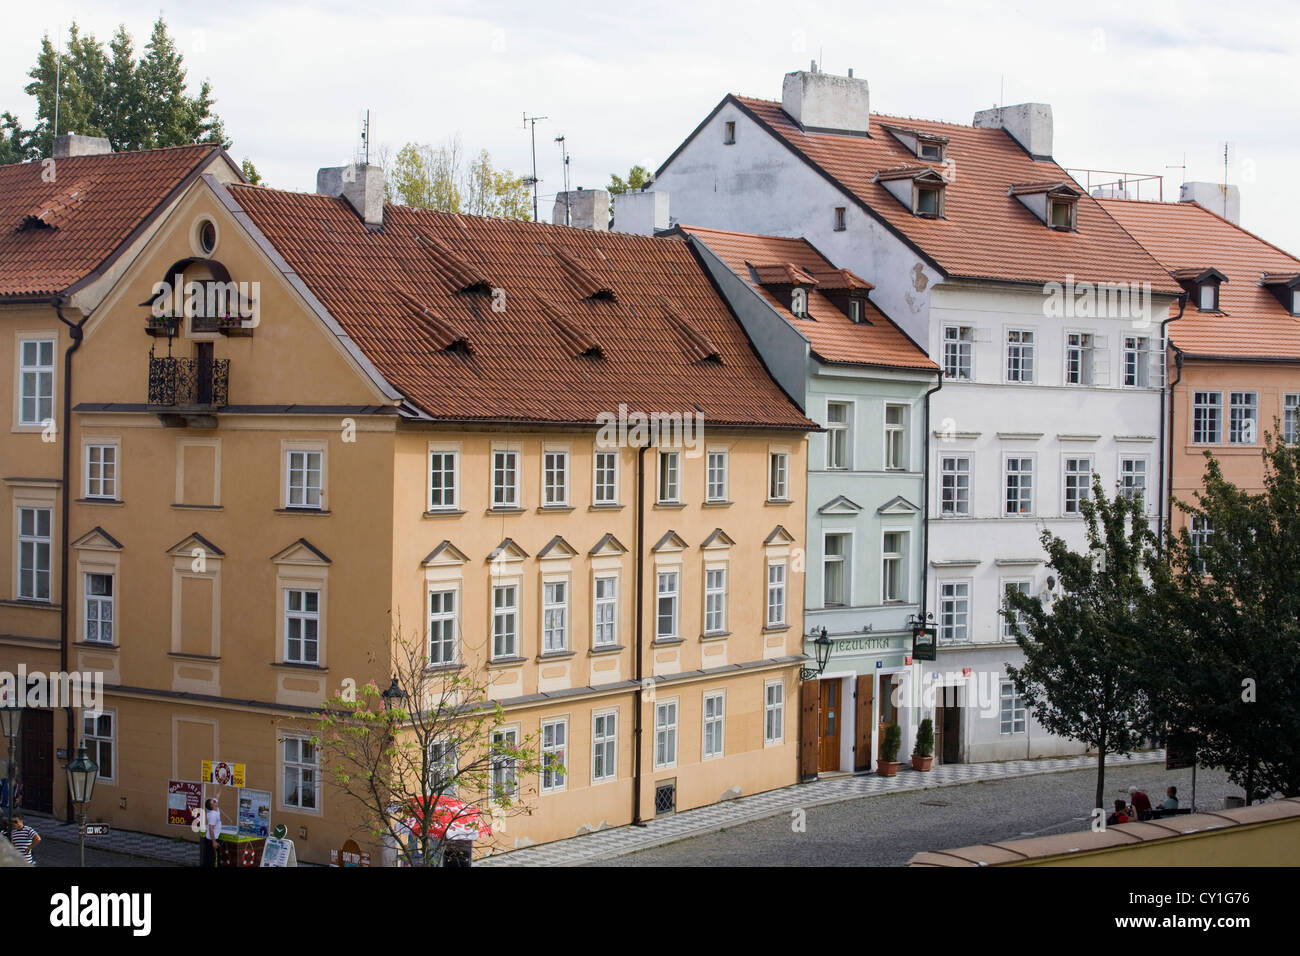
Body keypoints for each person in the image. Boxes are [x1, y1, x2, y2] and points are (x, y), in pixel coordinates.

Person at [199, 797, 222, 868]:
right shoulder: (212, 815)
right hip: (211, 840)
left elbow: (217, 796)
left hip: (211, 839)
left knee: (210, 860)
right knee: (212, 861)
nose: (215, 801)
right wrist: (214, 842)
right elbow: (211, 829)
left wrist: (221, 785)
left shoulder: (216, 810)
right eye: (214, 802)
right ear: (212, 806)